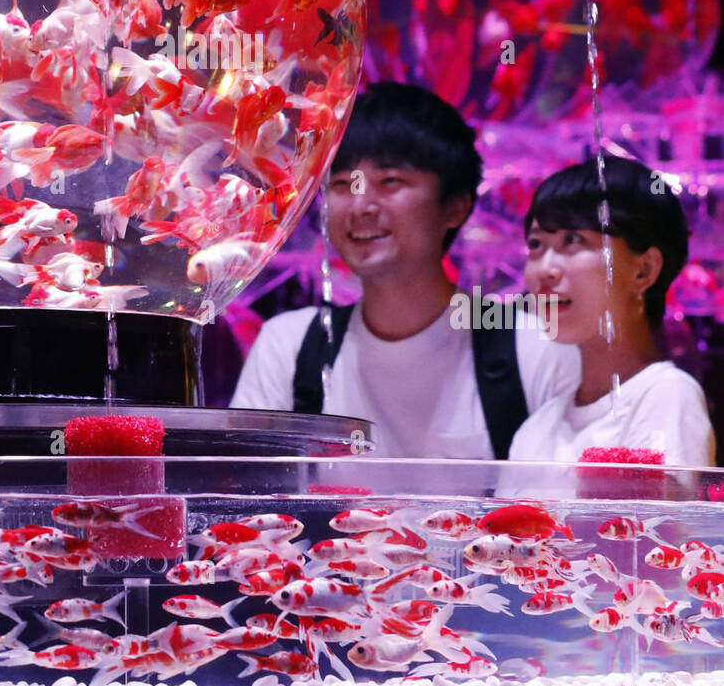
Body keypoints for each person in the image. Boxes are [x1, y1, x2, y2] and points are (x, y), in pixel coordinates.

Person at [231, 82, 580, 458]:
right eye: (343, 184)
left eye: (390, 181)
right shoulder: (289, 346)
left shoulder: (536, 346)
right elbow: (245, 496)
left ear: (455, 207)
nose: (361, 205)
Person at [509, 156, 715, 467]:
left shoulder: (667, 397)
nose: (545, 268)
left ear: (643, 271)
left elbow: (658, 518)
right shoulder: (536, 430)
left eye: (573, 240)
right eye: (536, 244)